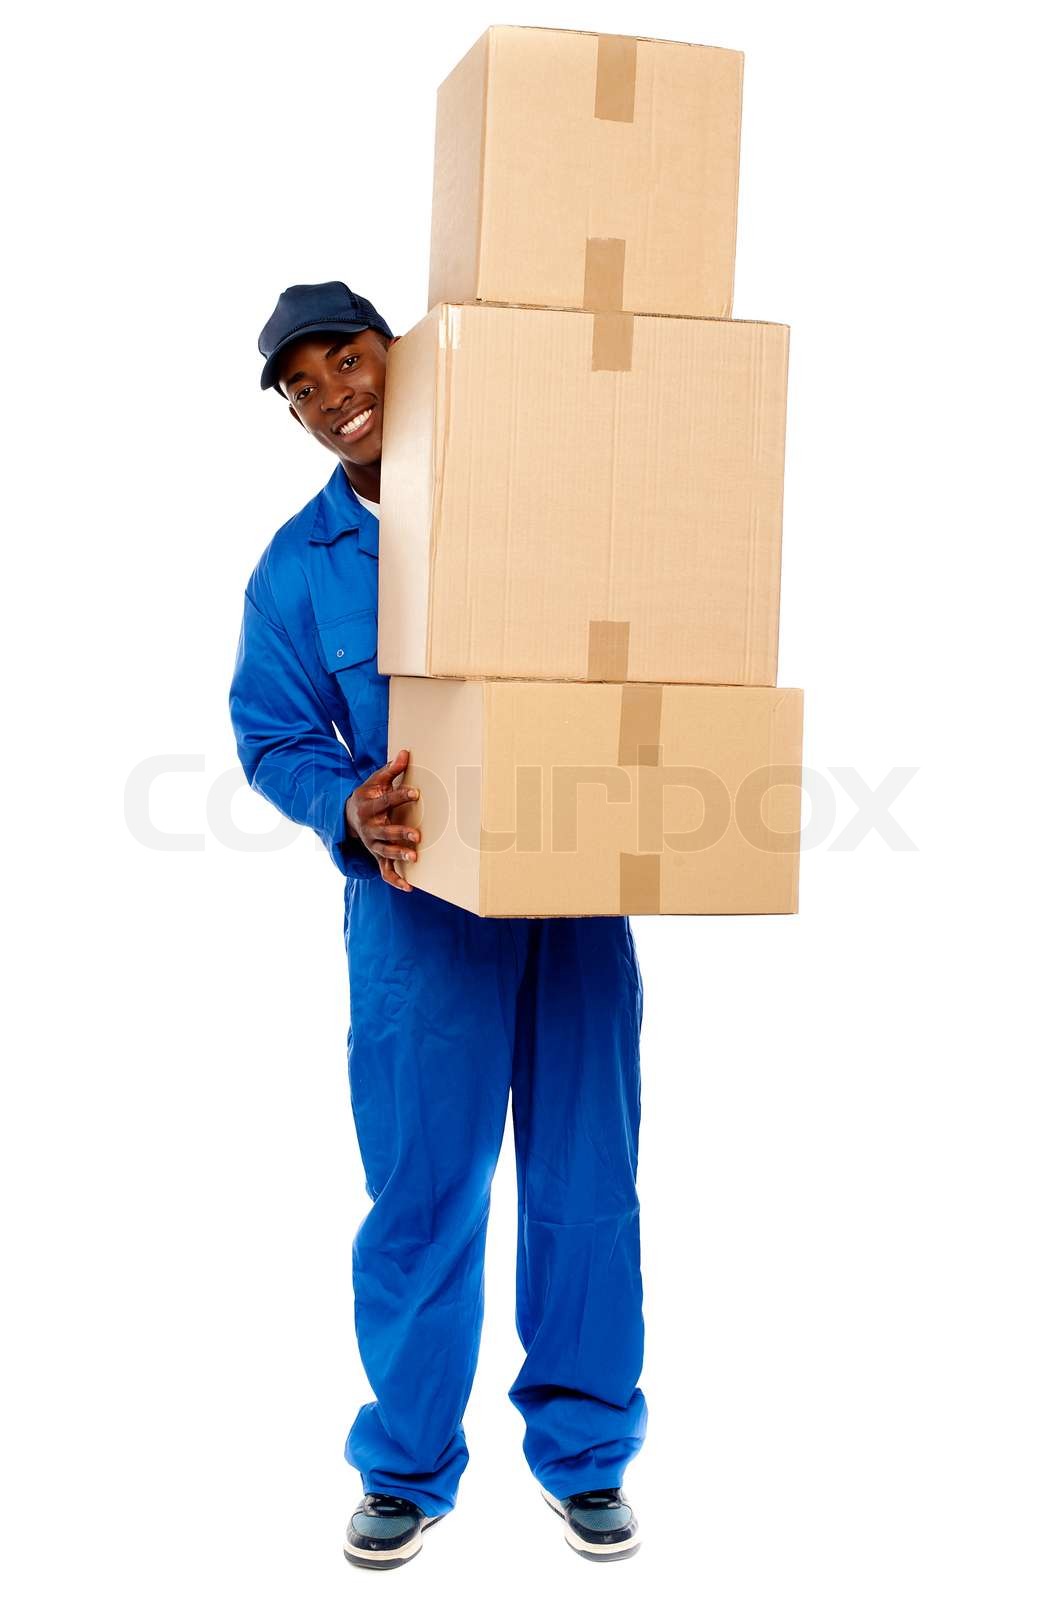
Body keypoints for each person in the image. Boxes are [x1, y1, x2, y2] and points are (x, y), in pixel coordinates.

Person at [229, 281, 648, 1569]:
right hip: (416, 919)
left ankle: (585, 1451)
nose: (330, 398)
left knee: (586, 1182)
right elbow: (272, 733)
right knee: (422, 1196)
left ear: (393, 355)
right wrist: (343, 806)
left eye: (344, 361)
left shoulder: (517, 500)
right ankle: (406, 1464)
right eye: (300, 389)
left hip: (569, 894)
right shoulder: (298, 570)